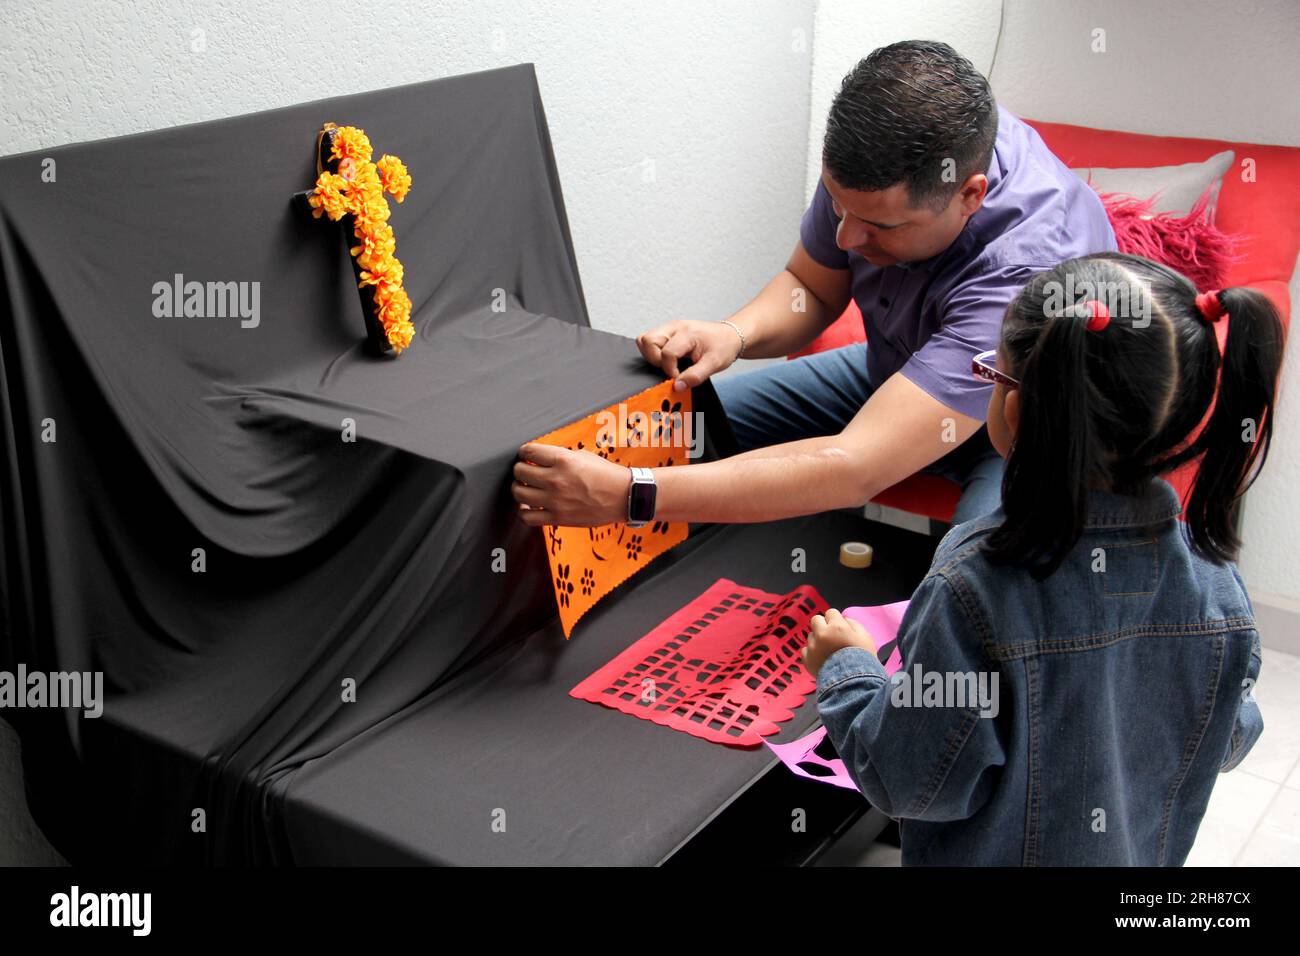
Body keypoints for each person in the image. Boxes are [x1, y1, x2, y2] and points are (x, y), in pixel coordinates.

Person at [802, 252, 1283, 866]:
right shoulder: (1219, 586)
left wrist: (849, 669)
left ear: (1018, 408)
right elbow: (1229, 733)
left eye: (991, 374)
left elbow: (908, 779)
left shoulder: (973, 586)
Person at [513, 40, 1115, 529]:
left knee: (974, 587)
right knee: (665, 433)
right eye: (837, 204)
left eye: (879, 226)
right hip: (901, 366)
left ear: (969, 196)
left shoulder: (1025, 270)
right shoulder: (895, 153)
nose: (848, 238)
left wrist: (633, 496)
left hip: (1022, 422)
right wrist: (733, 333)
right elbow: (812, 284)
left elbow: (854, 469)